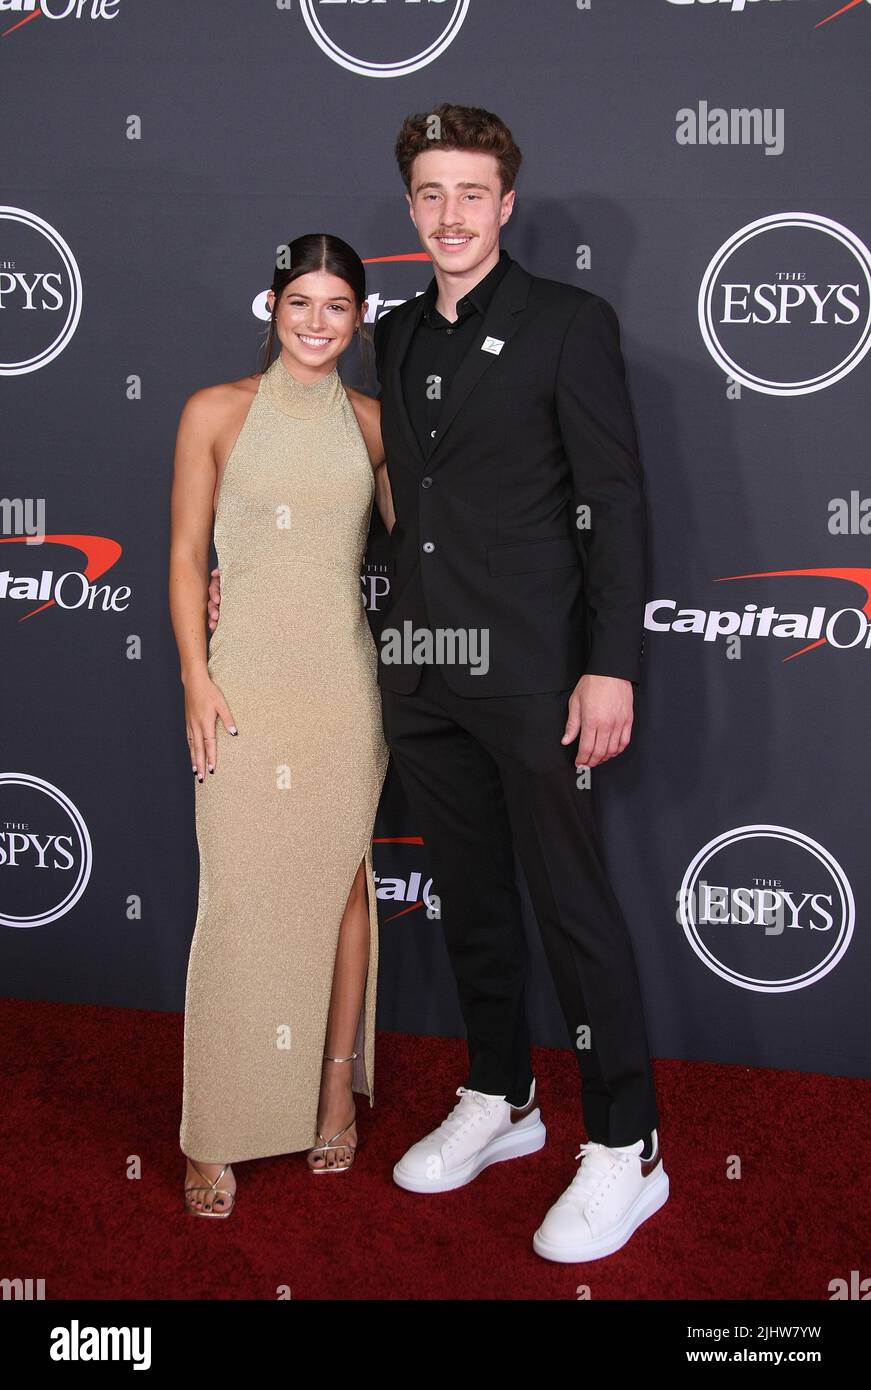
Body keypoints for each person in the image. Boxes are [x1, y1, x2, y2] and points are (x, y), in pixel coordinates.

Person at [209, 104, 668, 1263]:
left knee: (568, 899)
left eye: (473, 193)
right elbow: (382, 503)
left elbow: (611, 505)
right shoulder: (397, 336)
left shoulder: (570, 324)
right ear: (411, 209)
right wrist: (249, 583)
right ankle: (500, 1096)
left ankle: (628, 1145)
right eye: (431, 194)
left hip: (535, 671)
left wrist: (609, 661)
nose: (452, 214)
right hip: (419, 668)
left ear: (506, 205)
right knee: (467, 891)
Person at [169, 233, 393, 1217]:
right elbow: (183, 556)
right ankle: (214, 1126)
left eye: (335, 305)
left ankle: (331, 1088)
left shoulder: (376, 425)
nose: (315, 321)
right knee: (235, 897)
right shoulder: (215, 412)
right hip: (244, 687)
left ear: (358, 318)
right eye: (298, 301)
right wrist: (194, 677)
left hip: (342, 692)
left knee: (343, 891)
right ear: (272, 308)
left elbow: (430, 542)